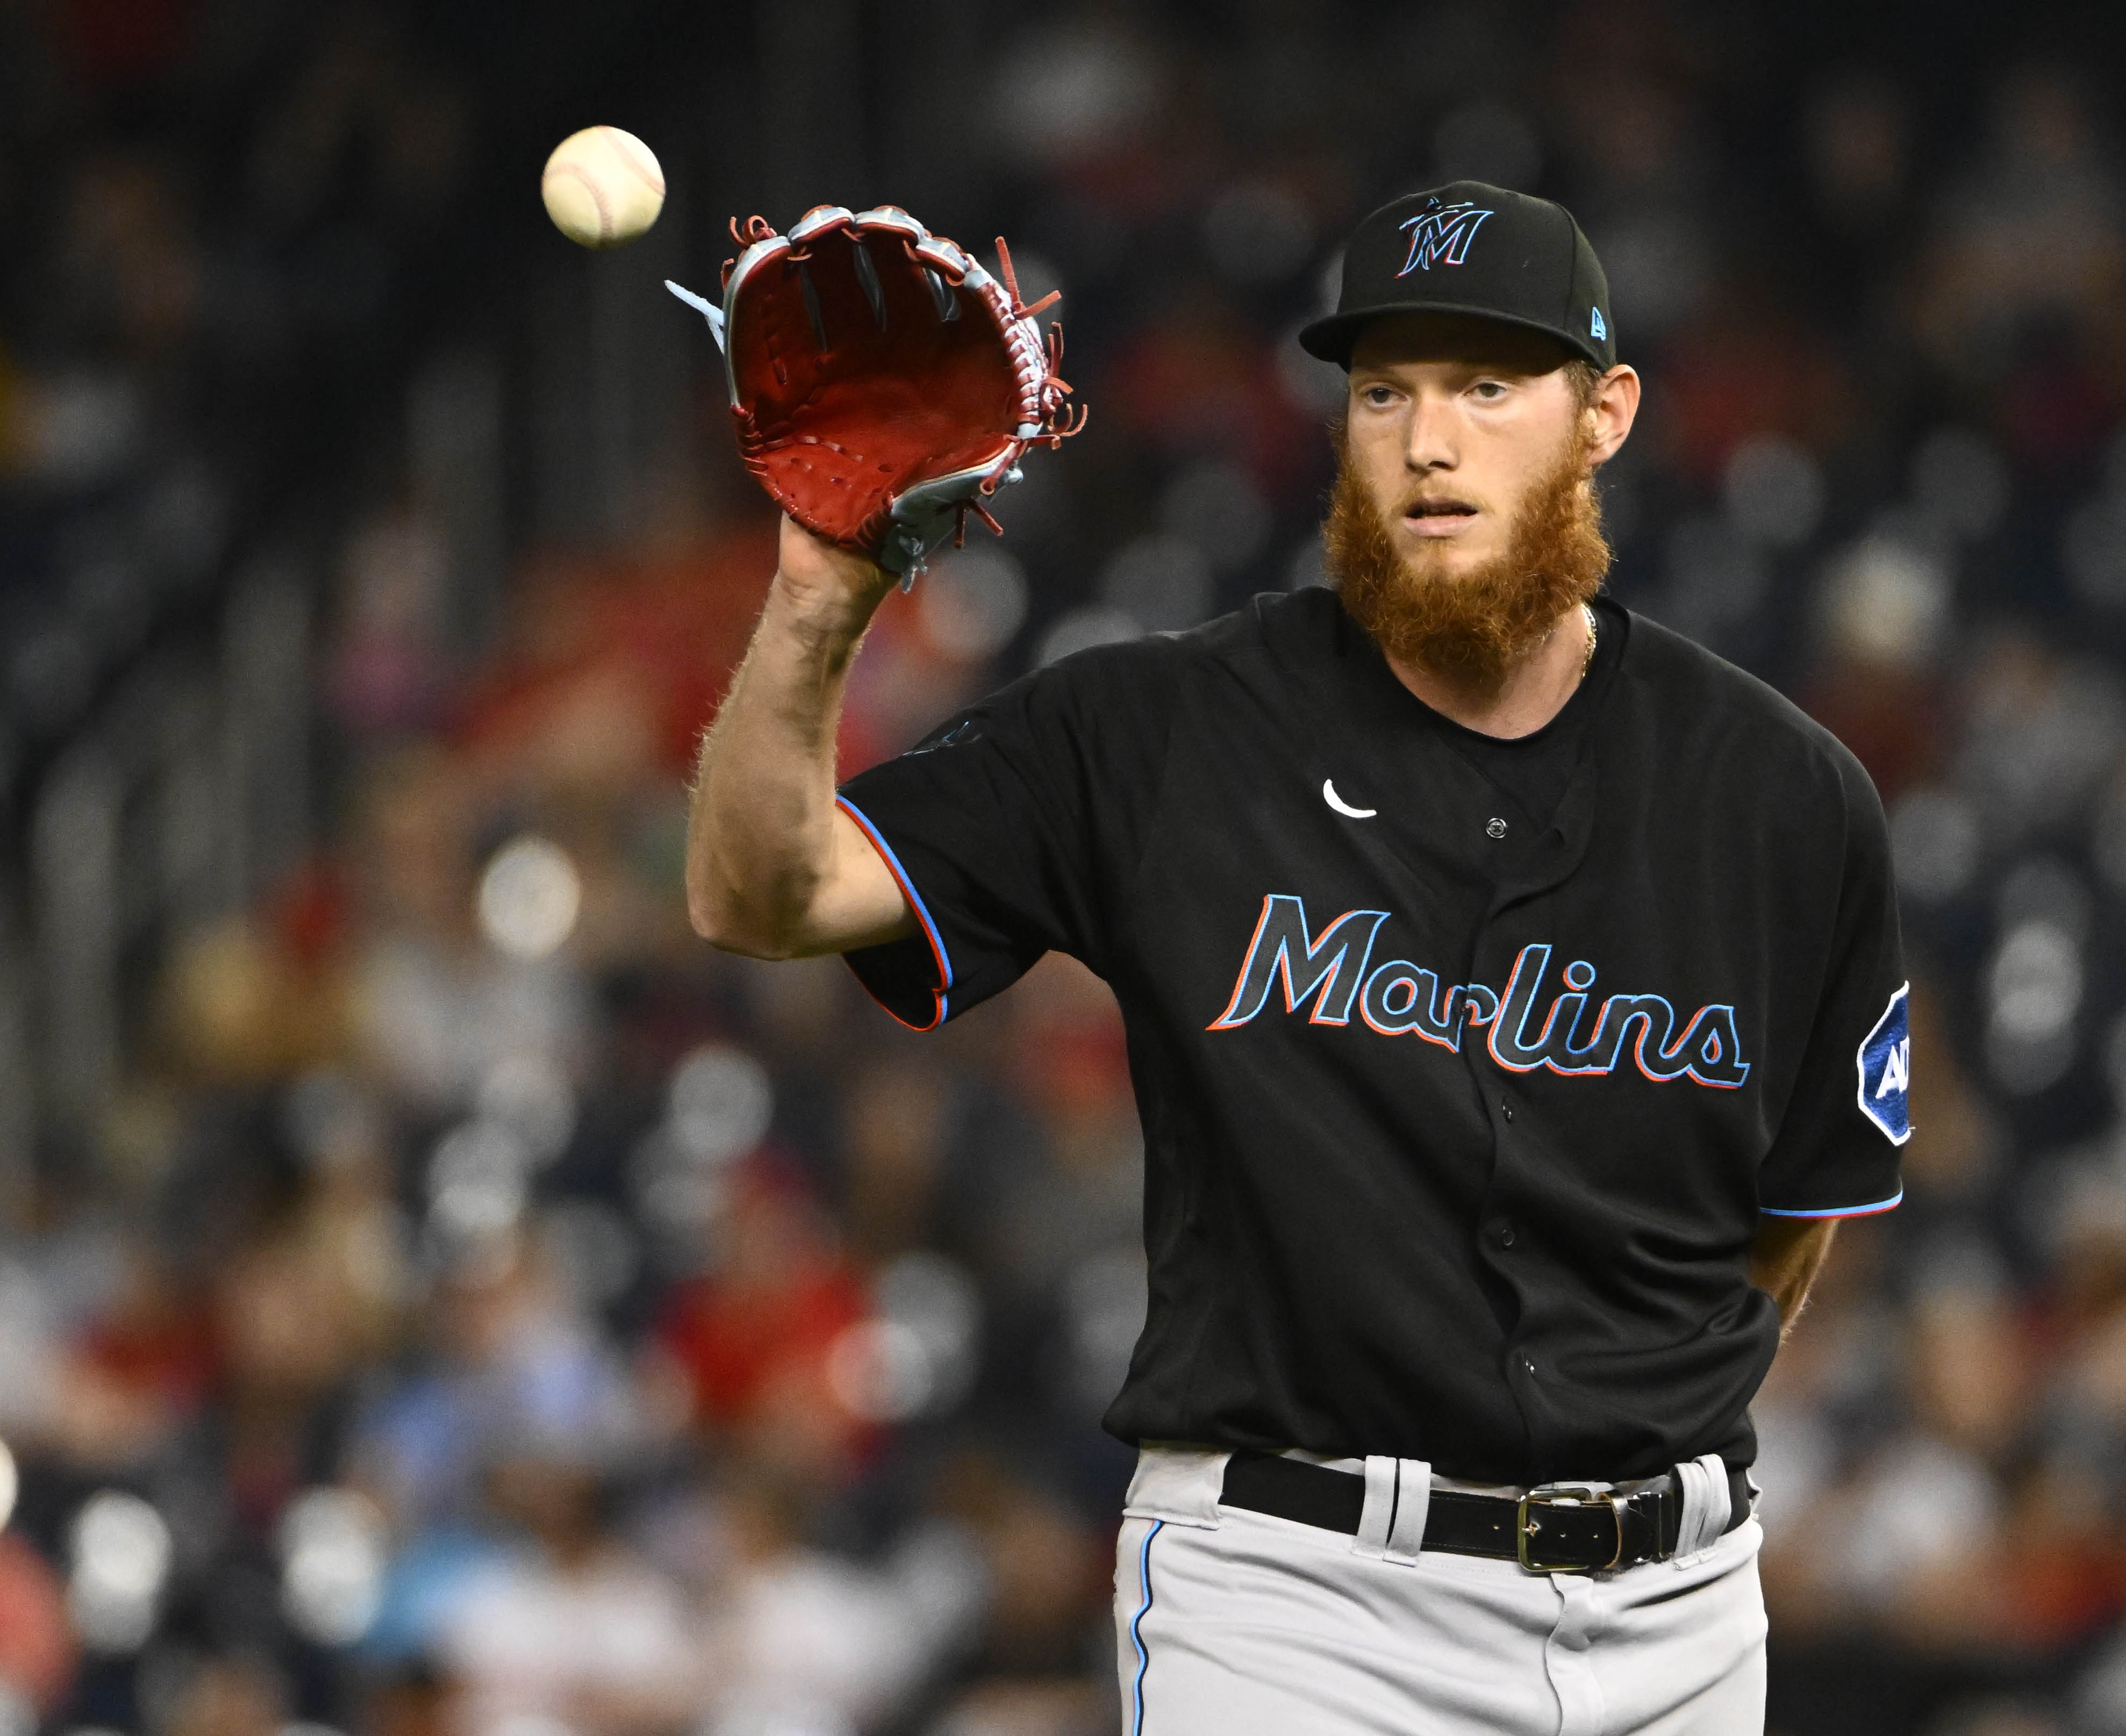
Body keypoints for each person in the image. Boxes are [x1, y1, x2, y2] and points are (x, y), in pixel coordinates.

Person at [684, 180, 1909, 1735]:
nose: (1428, 440)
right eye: (1384, 387)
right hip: (1298, 1606)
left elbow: (1788, 1234)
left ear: (1603, 415)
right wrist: (814, 598)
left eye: (1488, 383)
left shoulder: (1785, 797)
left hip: (1678, 1620)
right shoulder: (1161, 729)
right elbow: (765, 892)